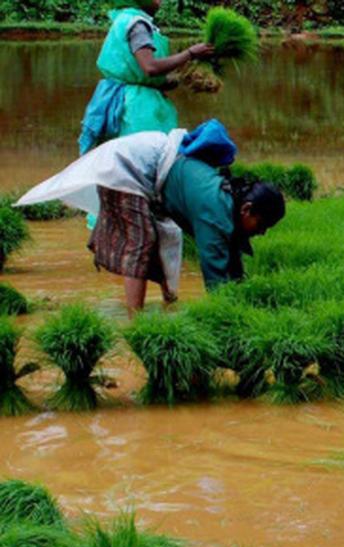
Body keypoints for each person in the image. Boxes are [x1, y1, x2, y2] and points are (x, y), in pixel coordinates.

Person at [17, 121, 285, 316]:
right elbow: (215, 273)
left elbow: (233, 259)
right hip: (125, 169)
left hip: (152, 174)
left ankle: (170, 302)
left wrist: (244, 296)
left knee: (167, 237)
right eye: (262, 225)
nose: (262, 232)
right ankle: (136, 320)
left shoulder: (228, 203)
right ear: (246, 209)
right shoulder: (215, 212)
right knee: (141, 241)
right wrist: (230, 315)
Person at [79, 0, 214, 155]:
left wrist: (183, 77)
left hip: (125, 98)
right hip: (137, 107)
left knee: (123, 158)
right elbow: (150, 68)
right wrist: (190, 53)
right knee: (145, 157)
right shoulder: (138, 24)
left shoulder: (125, 19)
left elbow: (146, 76)